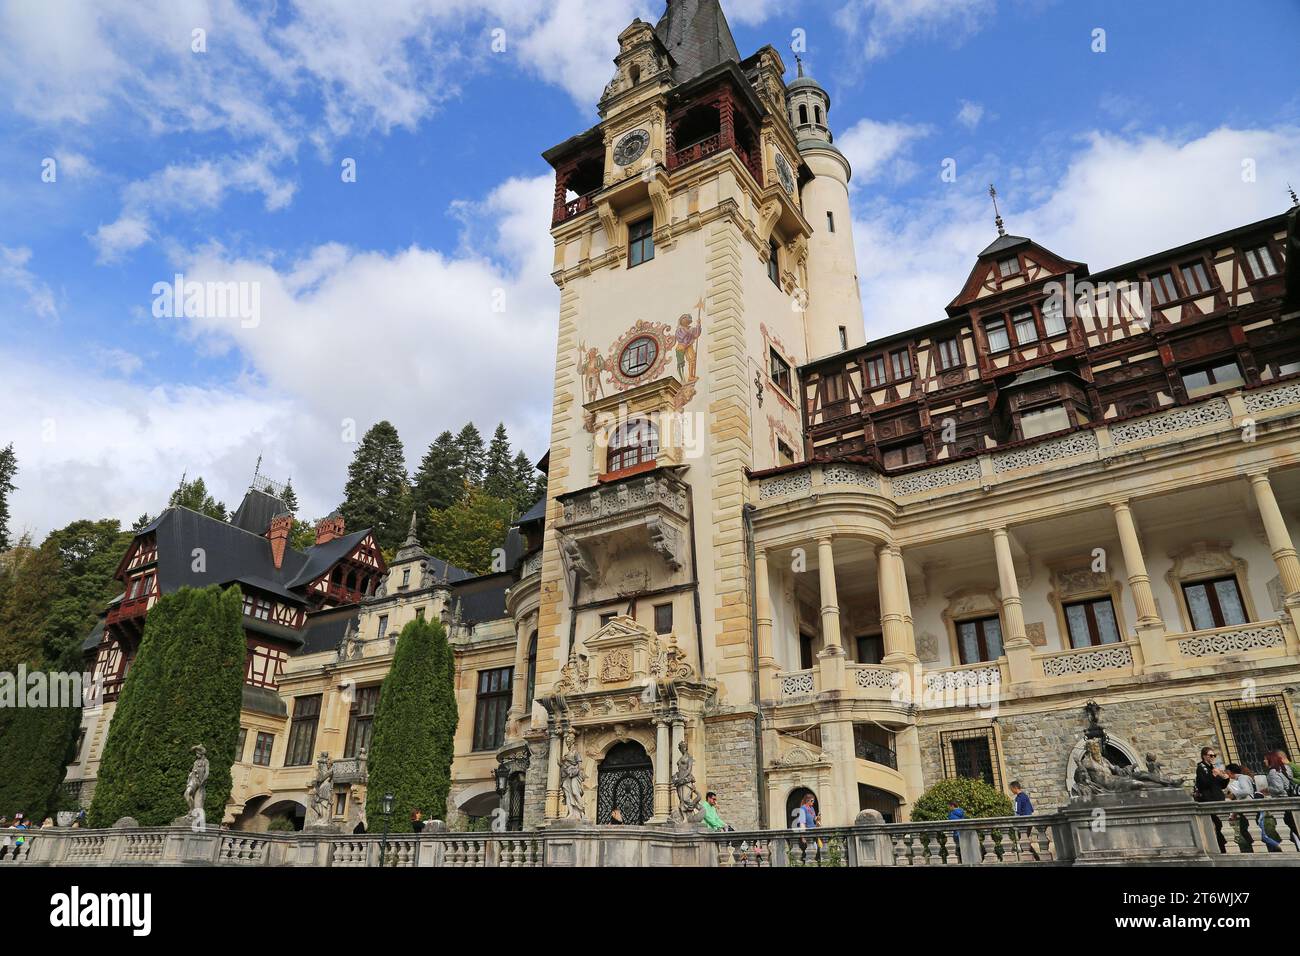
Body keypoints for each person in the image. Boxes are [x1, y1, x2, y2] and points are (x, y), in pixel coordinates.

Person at [1194, 745, 1230, 852]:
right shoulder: (1201, 768)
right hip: (1210, 800)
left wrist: (1225, 778)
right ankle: (1222, 848)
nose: (1213, 757)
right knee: (1219, 824)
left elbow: (1221, 785)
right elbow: (1203, 784)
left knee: (1222, 824)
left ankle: (1224, 847)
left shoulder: (1212, 768)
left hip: (1218, 798)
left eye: (1214, 755)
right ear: (1204, 756)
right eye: (1210, 755)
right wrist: (1213, 775)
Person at [1265, 751, 1300, 849]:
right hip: (1291, 799)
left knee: (1289, 827)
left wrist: (1268, 789)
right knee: (1295, 826)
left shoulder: (1273, 772)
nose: (1264, 761)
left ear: (1271, 760)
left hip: (1282, 801)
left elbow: (1279, 789)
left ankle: (1297, 847)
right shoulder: (1286, 769)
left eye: (1265, 759)